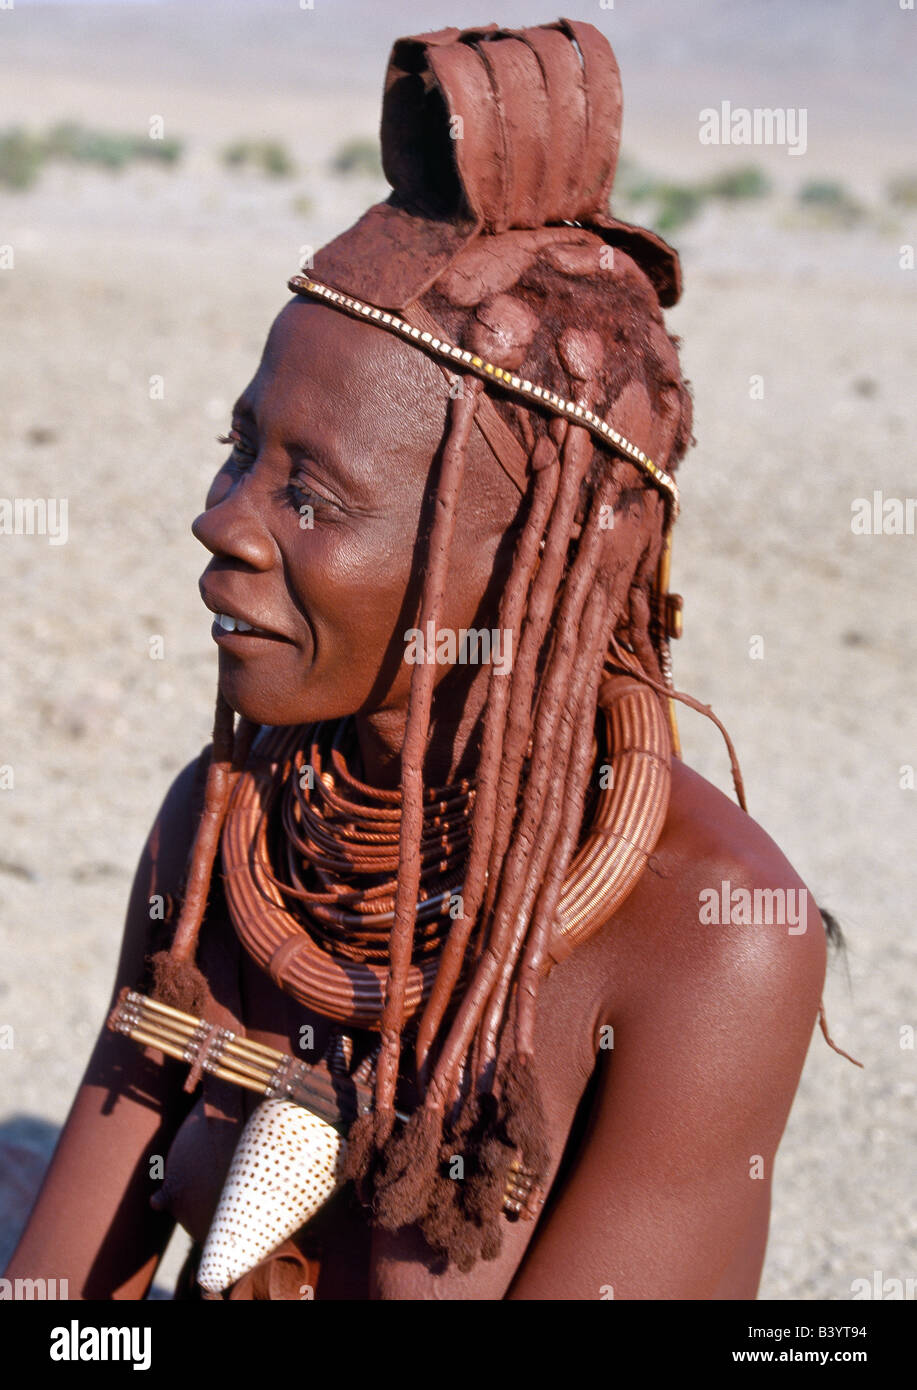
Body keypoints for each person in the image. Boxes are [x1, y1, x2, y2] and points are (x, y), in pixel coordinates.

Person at [3, 19, 853, 1301]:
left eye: (312, 498)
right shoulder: (231, 828)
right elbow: (62, 1308)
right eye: (242, 451)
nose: (220, 519)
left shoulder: (711, 942)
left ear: (523, 564)